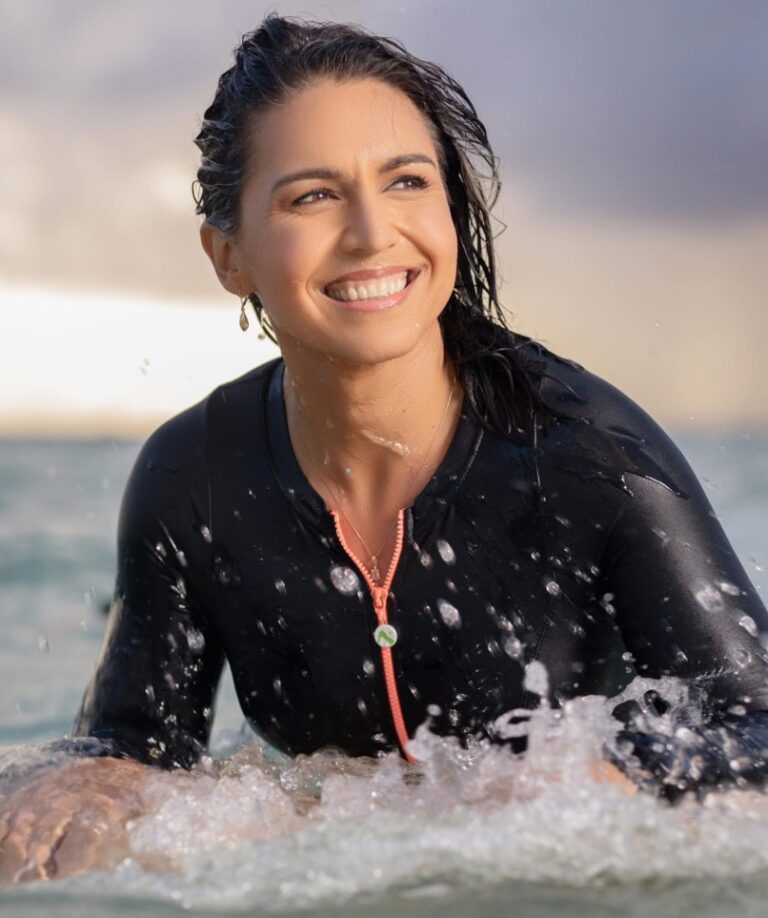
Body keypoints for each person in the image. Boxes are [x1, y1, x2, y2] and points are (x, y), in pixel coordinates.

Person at [2, 13, 767, 882]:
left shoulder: (597, 462)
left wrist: (614, 776)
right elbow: (131, 753)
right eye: (312, 196)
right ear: (228, 255)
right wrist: (80, 796)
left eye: (406, 181)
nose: (372, 233)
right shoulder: (193, 483)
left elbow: (756, 728)